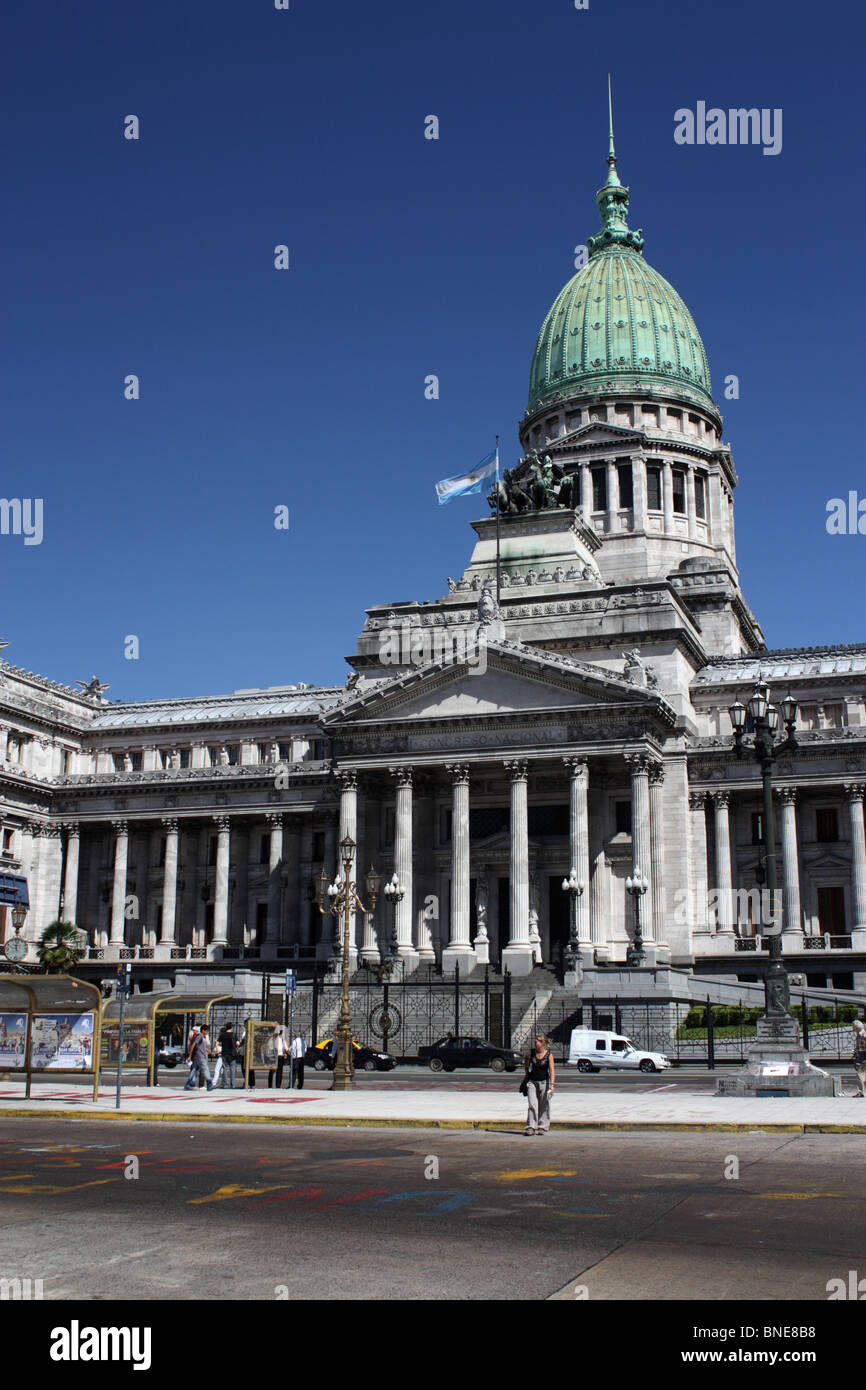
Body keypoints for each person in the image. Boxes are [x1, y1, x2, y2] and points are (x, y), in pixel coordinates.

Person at [522, 1033, 555, 1136]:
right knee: (532, 1104)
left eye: (538, 1041)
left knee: (544, 1105)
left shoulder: (549, 1055)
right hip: (532, 1082)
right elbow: (526, 1062)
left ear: (543, 1043)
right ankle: (531, 1126)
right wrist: (527, 1073)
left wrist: (552, 1085)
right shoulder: (531, 1053)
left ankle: (542, 1126)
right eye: (535, 1041)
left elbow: (552, 1071)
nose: (535, 1042)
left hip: (544, 1082)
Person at [185, 1023, 214, 1091]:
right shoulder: (199, 1037)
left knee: (194, 1069)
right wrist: (190, 1055)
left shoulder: (203, 1038)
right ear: (203, 1030)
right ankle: (209, 1083)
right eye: (207, 1031)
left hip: (199, 1056)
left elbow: (203, 1048)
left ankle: (189, 1083)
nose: (207, 1032)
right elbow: (193, 1045)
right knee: (205, 1069)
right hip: (200, 1056)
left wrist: (210, 1052)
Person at [216, 1022, 239, 1089]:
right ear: (231, 1027)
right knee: (232, 1069)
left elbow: (218, 1042)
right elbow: (237, 1043)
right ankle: (232, 1084)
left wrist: (218, 1050)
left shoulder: (223, 1035)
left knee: (225, 1068)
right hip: (232, 1054)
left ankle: (225, 1084)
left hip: (224, 1053)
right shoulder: (234, 1035)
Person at [852, 1019, 866, 1097]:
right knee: (861, 1074)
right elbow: (858, 1047)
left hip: (863, 1056)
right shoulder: (859, 1034)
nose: (852, 1028)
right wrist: (855, 1054)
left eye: (853, 1027)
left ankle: (860, 1092)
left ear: (857, 1027)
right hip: (861, 1055)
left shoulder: (862, 1034)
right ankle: (860, 1092)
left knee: (860, 1074)